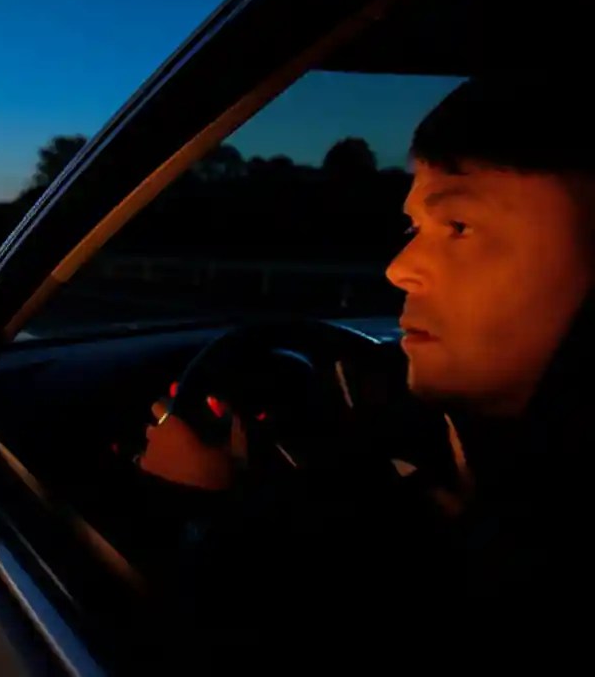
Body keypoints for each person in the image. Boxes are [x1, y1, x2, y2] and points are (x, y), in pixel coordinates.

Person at [138, 76, 594, 658]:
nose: (399, 268)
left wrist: (204, 511)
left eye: (457, 226)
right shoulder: (470, 457)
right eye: (413, 229)